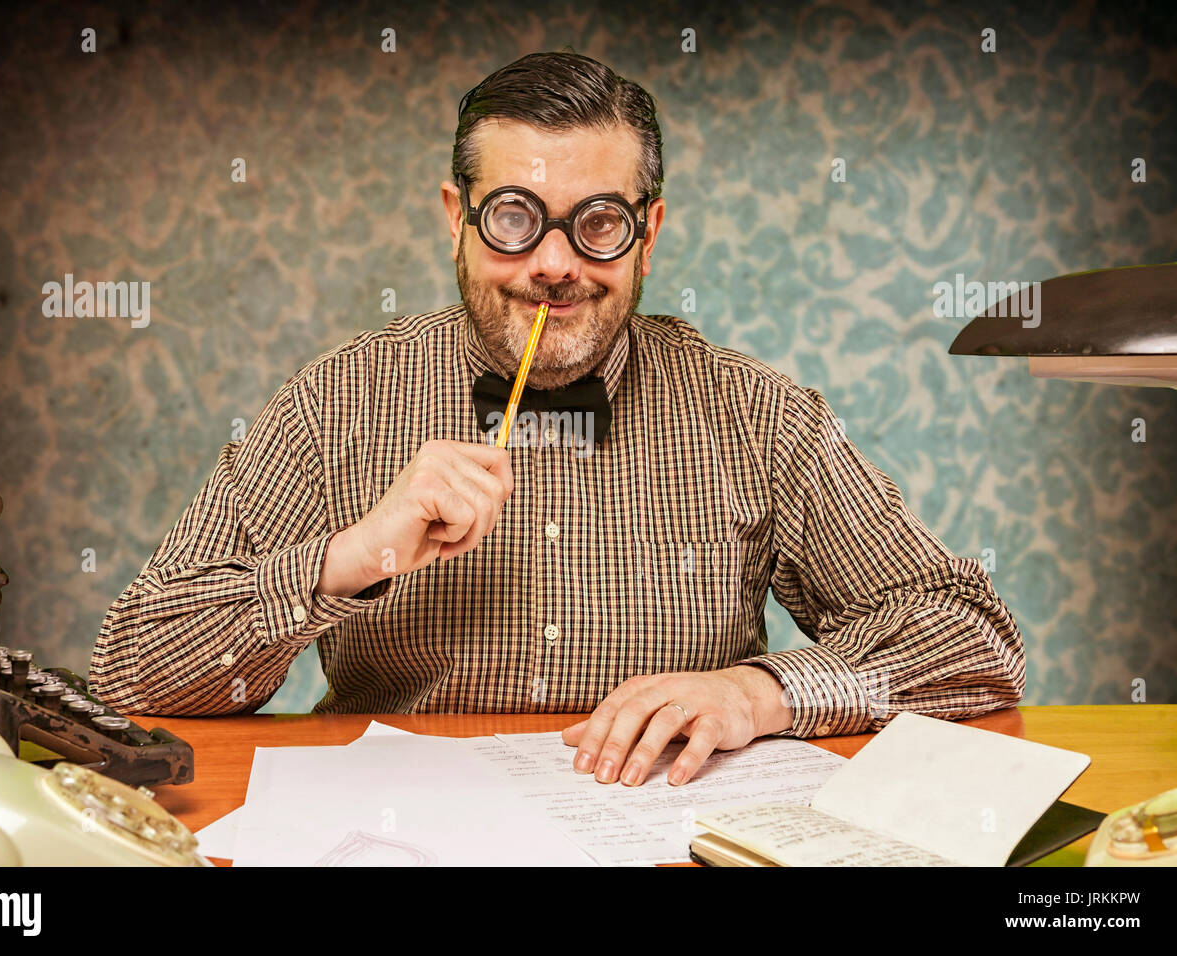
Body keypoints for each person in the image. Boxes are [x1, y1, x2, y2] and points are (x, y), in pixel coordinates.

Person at [91, 51, 1024, 788]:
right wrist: (353, 557)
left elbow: (973, 638)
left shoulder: (757, 414)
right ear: (455, 217)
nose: (552, 264)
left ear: (648, 232)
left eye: (598, 223)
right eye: (513, 217)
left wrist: (761, 691)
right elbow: (132, 673)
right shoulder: (333, 403)